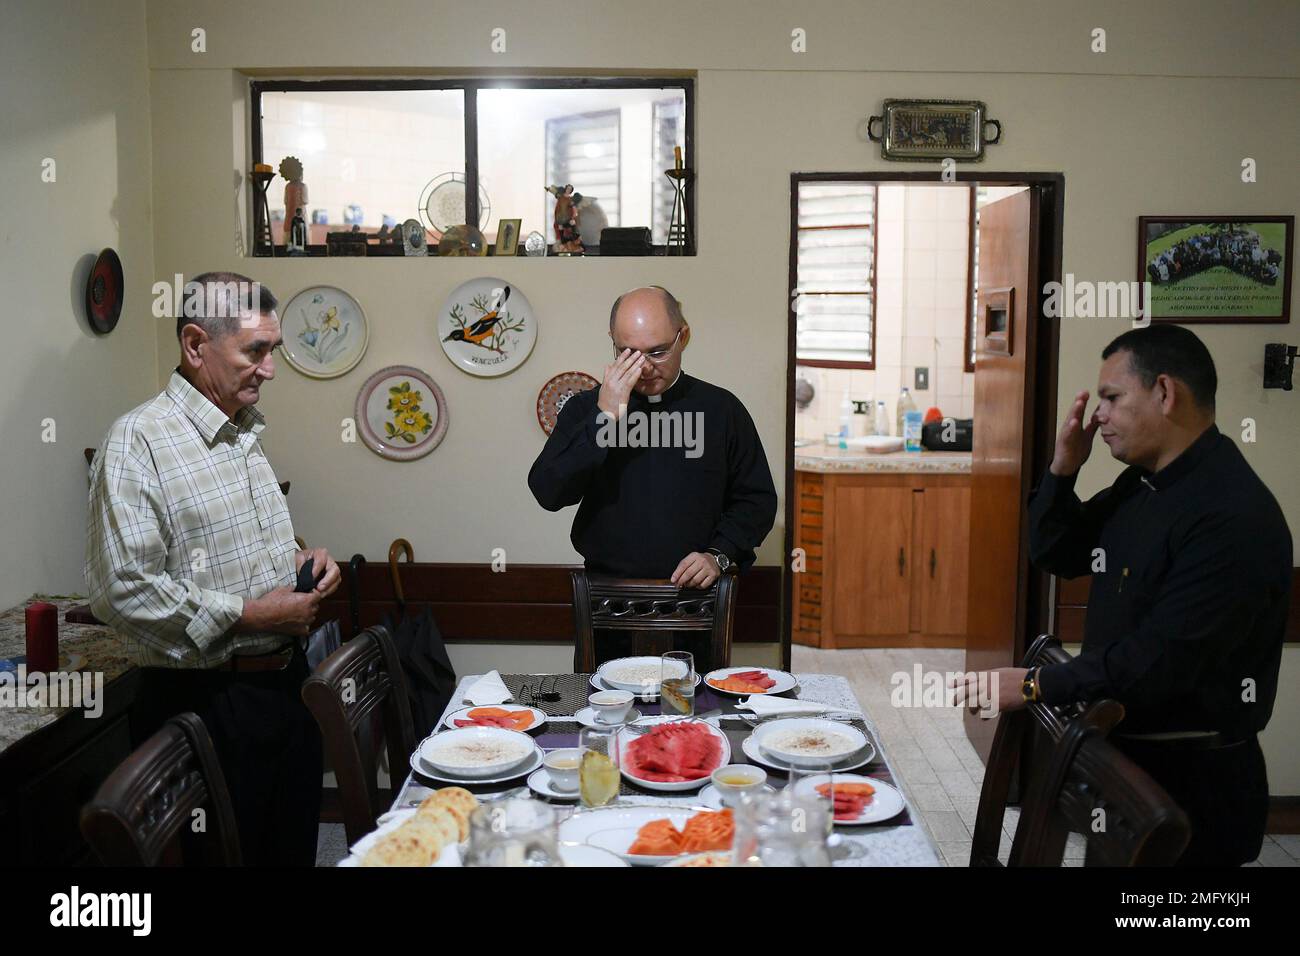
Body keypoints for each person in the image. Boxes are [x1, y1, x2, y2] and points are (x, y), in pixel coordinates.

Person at [955, 324, 1291, 865]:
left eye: (1112, 397)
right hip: (1125, 770)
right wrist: (1064, 469)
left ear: (1164, 392)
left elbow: (1160, 660)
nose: (1098, 415)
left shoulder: (1231, 513)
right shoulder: (1145, 482)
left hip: (1191, 790)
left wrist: (1037, 683)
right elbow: (1057, 555)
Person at [85, 271, 340, 866]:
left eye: (272, 350)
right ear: (196, 345)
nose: (270, 369)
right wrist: (250, 615)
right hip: (207, 703)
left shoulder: (241, 433)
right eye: (256, 351)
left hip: (282, 690)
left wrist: (300, 562)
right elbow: (121, 590)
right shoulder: (138, 441)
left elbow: (227, 551)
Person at [528, 285, 777, 593]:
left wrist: (719, 555)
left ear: (682, 337)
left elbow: (756, 500)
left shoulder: (721, 409)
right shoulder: (585, 408)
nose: (644, 367)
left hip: (696, 597)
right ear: (613, 343)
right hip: (607, 593)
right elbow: (548, 491)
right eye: (629, 353)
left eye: (657, 352)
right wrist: (604, 417)